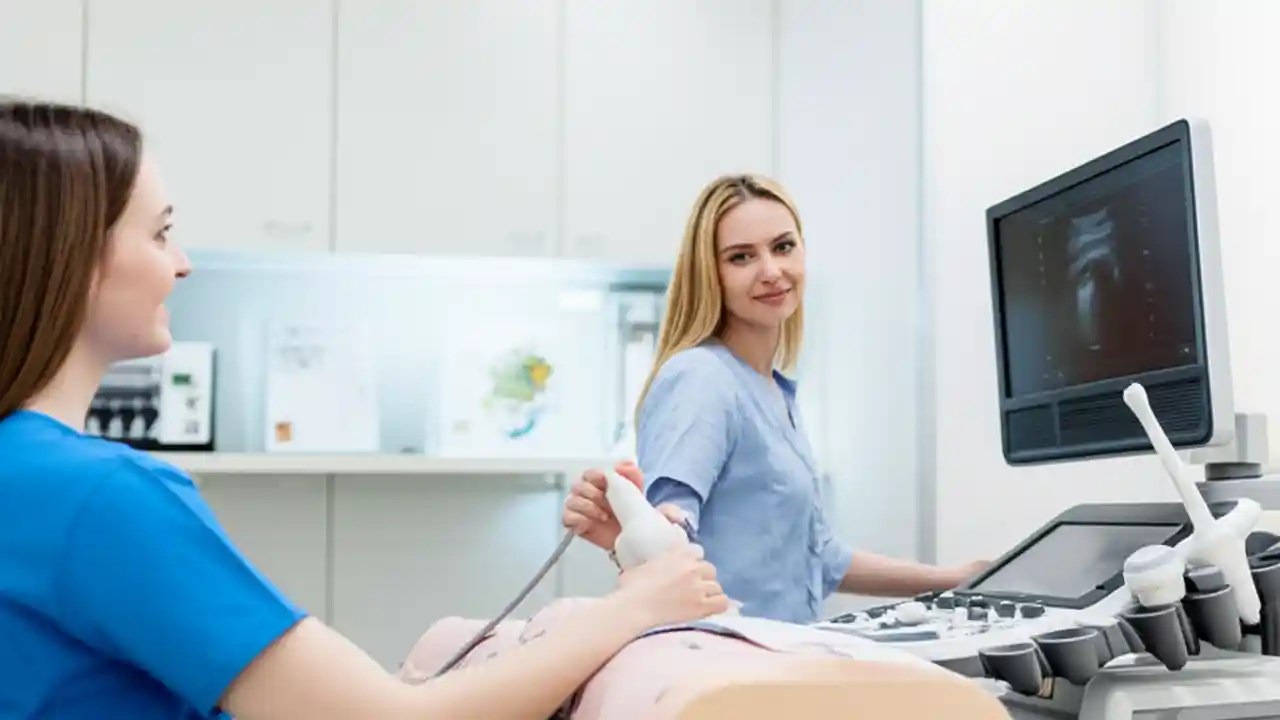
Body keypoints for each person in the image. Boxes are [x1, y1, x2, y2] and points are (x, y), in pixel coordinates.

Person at [0, 99, 728, 719]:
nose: (182, 262)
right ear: (72, 256)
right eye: (160, 234)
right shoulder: (101, 499)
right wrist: (640, 604)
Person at [564, 174, 989, 625]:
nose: (770, 271)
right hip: (725, 660)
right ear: (711, 273)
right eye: (741, 257)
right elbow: (671, 527)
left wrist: (953, 580)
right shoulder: (702, 378)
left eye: (783, 247)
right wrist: (641, 532)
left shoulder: (770, 391)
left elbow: (819, 558)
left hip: (781, 652)